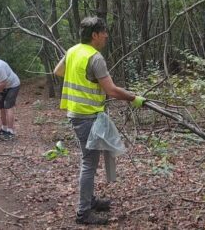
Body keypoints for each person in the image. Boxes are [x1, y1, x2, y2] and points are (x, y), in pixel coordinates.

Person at [54, 16, 145, 225]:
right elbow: (111, 90)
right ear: (94, 35)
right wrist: (134, 98)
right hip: (87, 117)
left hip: (78, 114)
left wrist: (81, 78)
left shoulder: (73, 51)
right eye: (103, 32)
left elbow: (58, 71)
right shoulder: (95, 58)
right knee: (89, 163)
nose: (106, 36)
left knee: (90, 162)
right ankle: (83, 213)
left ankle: (91, 201)